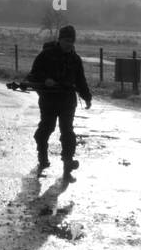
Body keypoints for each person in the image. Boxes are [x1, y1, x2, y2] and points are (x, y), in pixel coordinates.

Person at [25, 24, 92, 180]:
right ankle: (42, 153)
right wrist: (45, 79)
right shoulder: (46, 55)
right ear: (60, 39)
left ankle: (68, 163)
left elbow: (81, 80)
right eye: (66, 40)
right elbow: (33, 75)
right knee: (47, 127)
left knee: (67, 131)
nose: (69, 43)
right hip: (49, 99)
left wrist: (87, 97)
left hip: (67, 99)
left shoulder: (75, 59)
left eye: (71, 41)